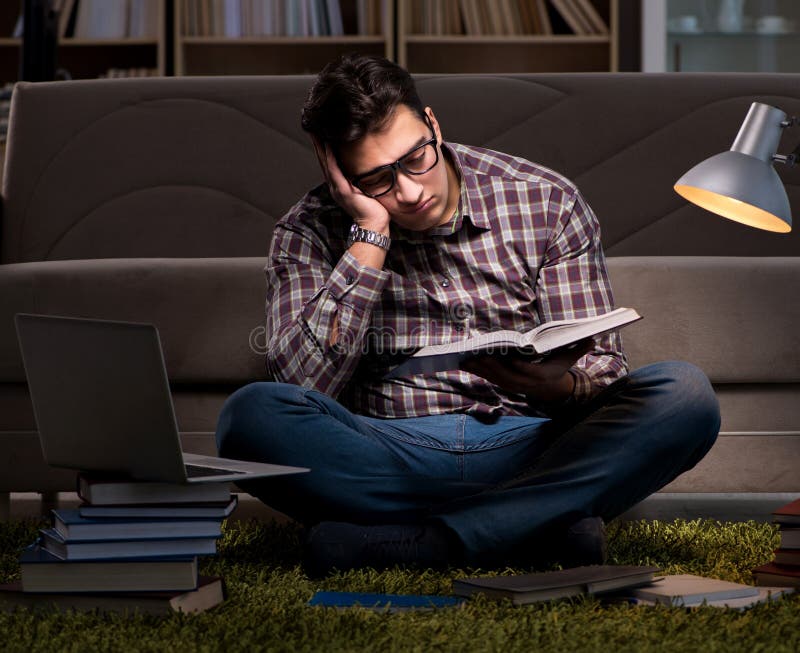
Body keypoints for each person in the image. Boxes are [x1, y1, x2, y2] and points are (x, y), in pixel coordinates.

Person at [215, 53, 720, 576]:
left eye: (416, 159)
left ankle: (420, 544)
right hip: (387, 451)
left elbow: (605, 375)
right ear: (342, 174)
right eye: (377, 180)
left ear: (433, 125)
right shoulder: (306, 231)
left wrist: (553, 386)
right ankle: (535, 527)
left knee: (684, 396)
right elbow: (301, 386)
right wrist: (369, 236)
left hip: (530, 444)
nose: (409, 191)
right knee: (247, 419)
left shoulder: (544, 200)